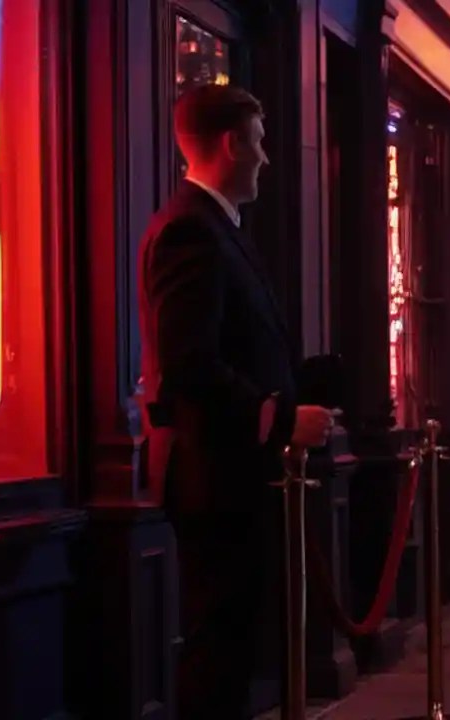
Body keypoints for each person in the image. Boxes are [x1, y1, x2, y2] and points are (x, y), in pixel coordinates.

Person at [138, 84, 332, 720]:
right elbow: (188, 363)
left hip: (231, 473)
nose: (267, 158)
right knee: (218, 645)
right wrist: (277, 418)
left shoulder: (214, 225)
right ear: (231, 144)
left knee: (233, 642)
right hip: (213, 474)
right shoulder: (191, 231)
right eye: (260, 142)